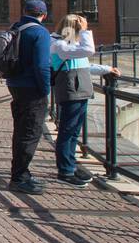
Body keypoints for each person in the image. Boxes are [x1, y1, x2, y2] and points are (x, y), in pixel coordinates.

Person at [50, 14, 119, 187]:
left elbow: (85, 65)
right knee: (67, 130)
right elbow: (89, 50)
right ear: (75, 29)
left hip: (80, 90)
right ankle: (65, 170)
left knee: (74, 131)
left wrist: (106, 69)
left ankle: (70, 165)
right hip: (71, 90)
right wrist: (86, 30)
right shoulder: (59, 45)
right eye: (80, 29)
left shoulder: (71, 45)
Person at [4, 0, 53, 195]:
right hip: (32, 88)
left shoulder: (16, 28)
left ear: (24, 11)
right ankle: (19, 177)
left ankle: (22, 173)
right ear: (44, 14)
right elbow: (42, 65)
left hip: (14, 85)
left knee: (21, 131)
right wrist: (46, 89)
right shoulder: (39, 32)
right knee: (30, 133)